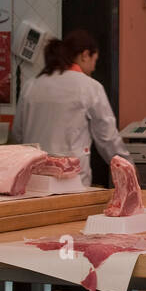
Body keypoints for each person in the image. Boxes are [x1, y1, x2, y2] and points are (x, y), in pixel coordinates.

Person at [10, 29, 129, 186]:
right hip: (72, 181)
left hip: (34, 179)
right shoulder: (89, 87)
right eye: (95, 60)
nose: (93, 68)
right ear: (85, 55)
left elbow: (17, 134)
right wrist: (128, 168)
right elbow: (107, 138)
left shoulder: (31, 85)